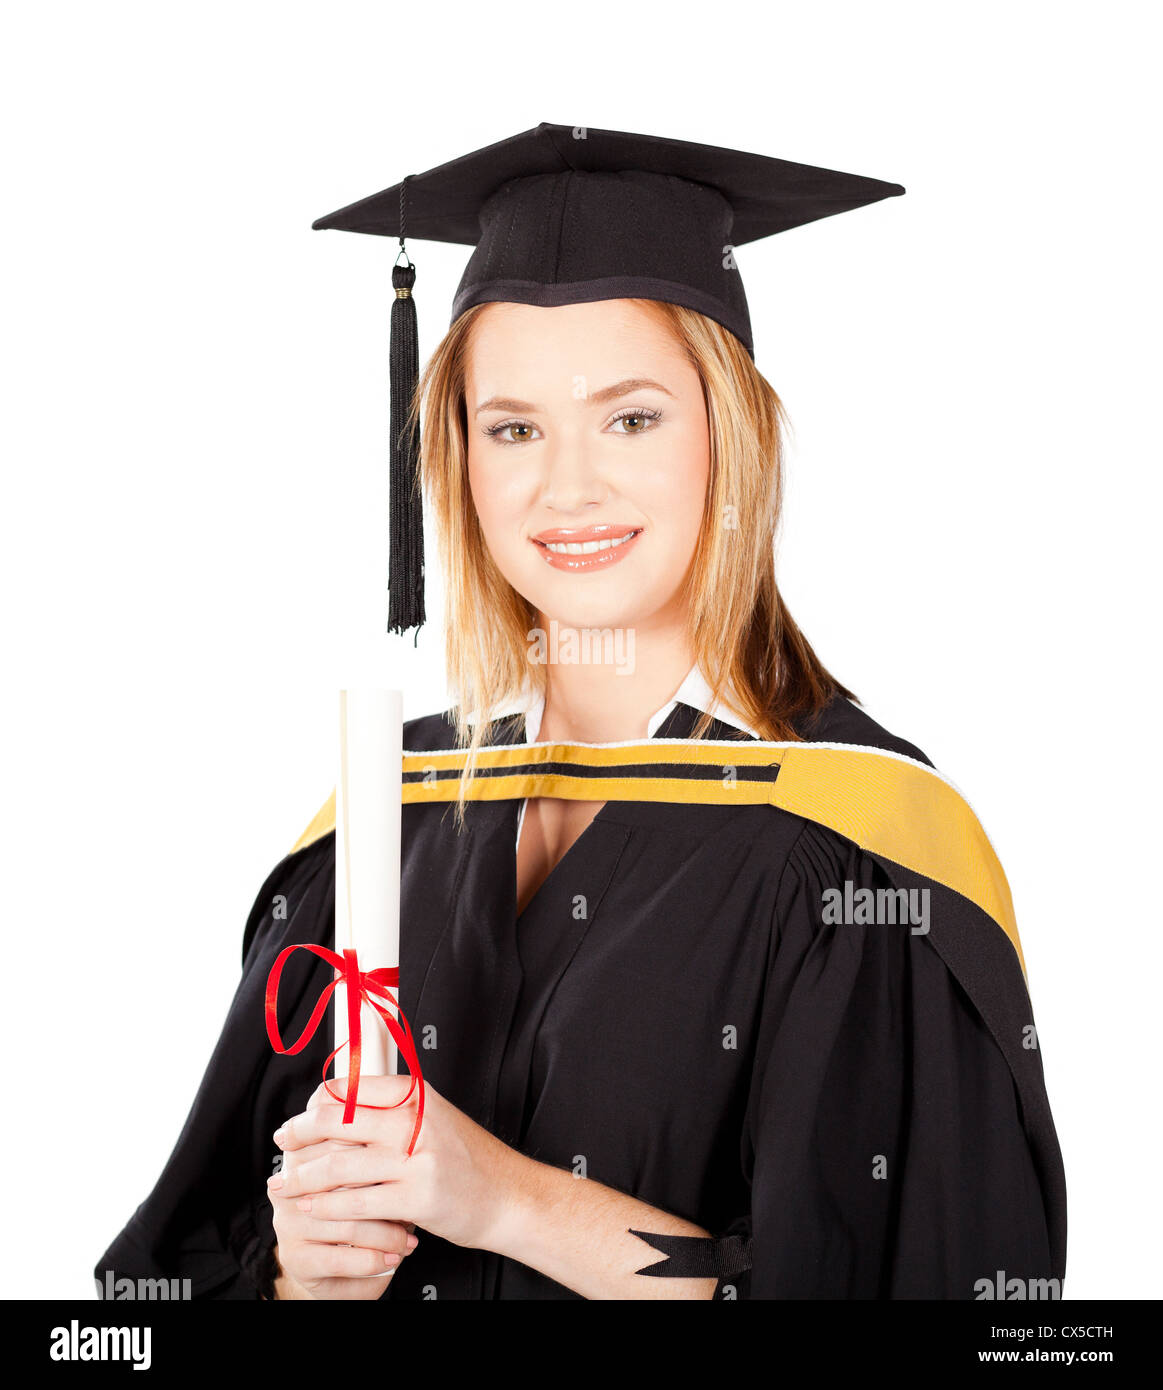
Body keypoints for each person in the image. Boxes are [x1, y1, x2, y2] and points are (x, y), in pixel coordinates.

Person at [96, 124, 1066, 1301]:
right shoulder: (374, 815)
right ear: (456, 461)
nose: (567, 486)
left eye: (631, 417)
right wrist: (301, 1280)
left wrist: (498, 1196)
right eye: (511, 428)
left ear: (730, 435)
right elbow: (164, 1283)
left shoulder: (859, 850)